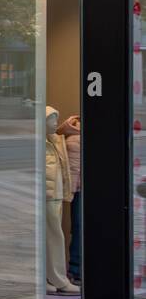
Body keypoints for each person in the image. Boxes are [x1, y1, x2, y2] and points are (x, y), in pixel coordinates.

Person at [59, 113, 82, 285]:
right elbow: (74, 168)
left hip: (78, 190)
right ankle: (76, 270)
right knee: (79, 229)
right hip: (80, 190)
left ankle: (76, 270)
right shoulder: (75, 137)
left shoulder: (70, 133)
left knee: (78, 228)